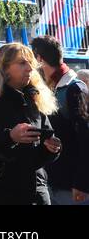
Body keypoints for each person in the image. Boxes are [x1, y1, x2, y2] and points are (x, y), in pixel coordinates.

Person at [0, 42, 60, 205]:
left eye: (31, 64)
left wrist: (51, 148)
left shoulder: (34, 97)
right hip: (2, 192)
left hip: (37, 191)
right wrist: (10, 137)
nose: (29, 68)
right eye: (22, 63)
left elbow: (42, 147)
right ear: (3, 67)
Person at [30, 35, 89, 205]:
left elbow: (86, 139)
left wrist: (82, 182)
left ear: (39, 59)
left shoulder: (74, 88)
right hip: (55, 181)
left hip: (72, 186)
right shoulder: (51, 87)